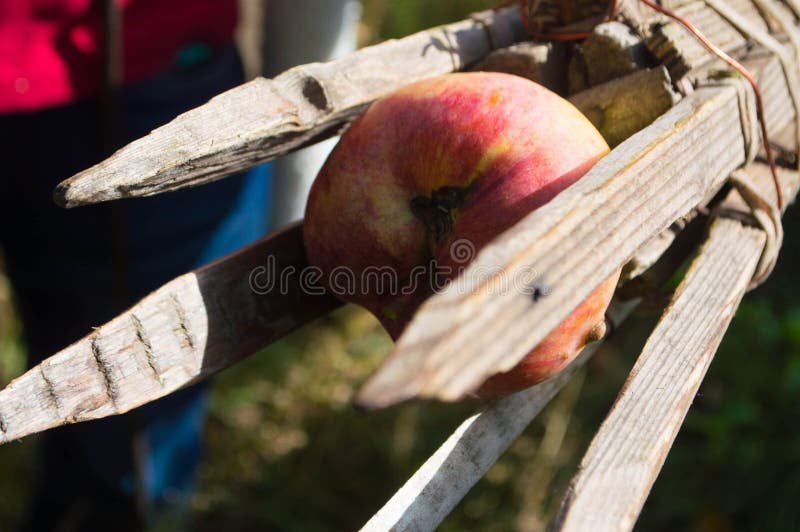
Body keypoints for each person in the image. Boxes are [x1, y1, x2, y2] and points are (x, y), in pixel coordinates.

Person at [0, 0, 271, 529]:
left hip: (133, 69)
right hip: (119, 69)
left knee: (139, 376)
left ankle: (109, 502)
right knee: (79, 336)